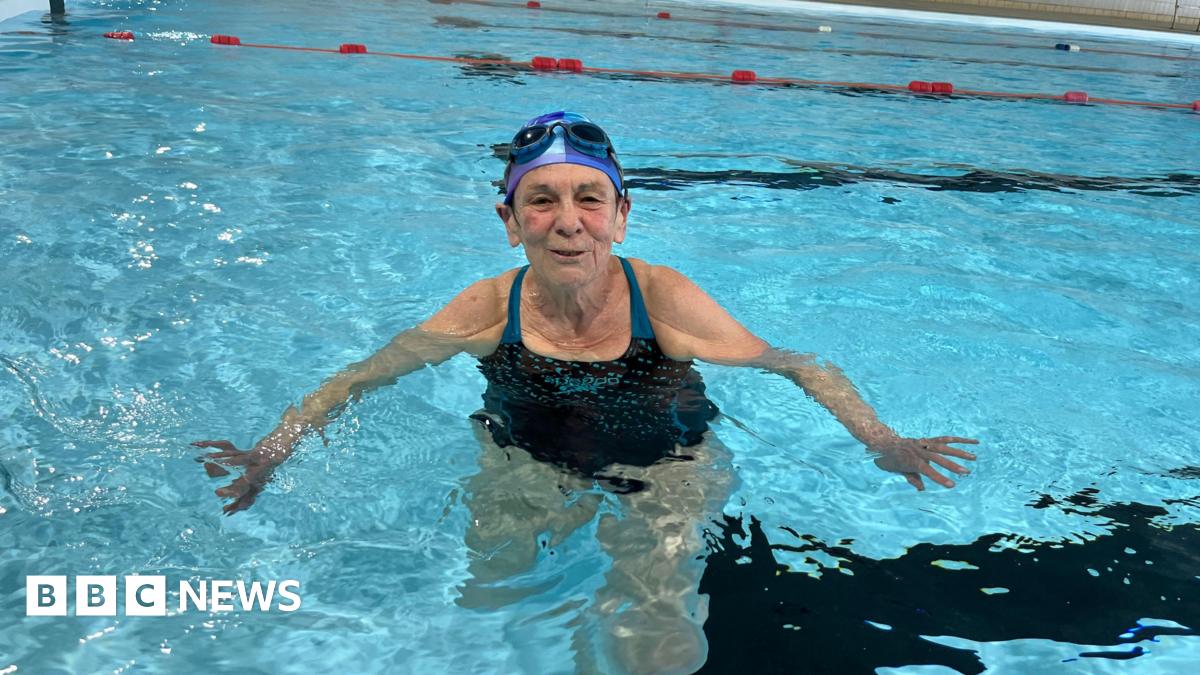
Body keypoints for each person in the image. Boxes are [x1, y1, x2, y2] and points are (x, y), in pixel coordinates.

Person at [194, 111, 978, 674]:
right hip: (523, 459)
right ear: (511, 221)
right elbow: (358, 378)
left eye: (588, 199)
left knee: (661, 633)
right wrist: (268, 454)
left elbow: (798, 365)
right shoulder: (483, 308)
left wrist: (883, 442)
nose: (568, 223)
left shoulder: (663, 297)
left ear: (620, 216)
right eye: (542, 201)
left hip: (667, 462)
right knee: (490, 595)